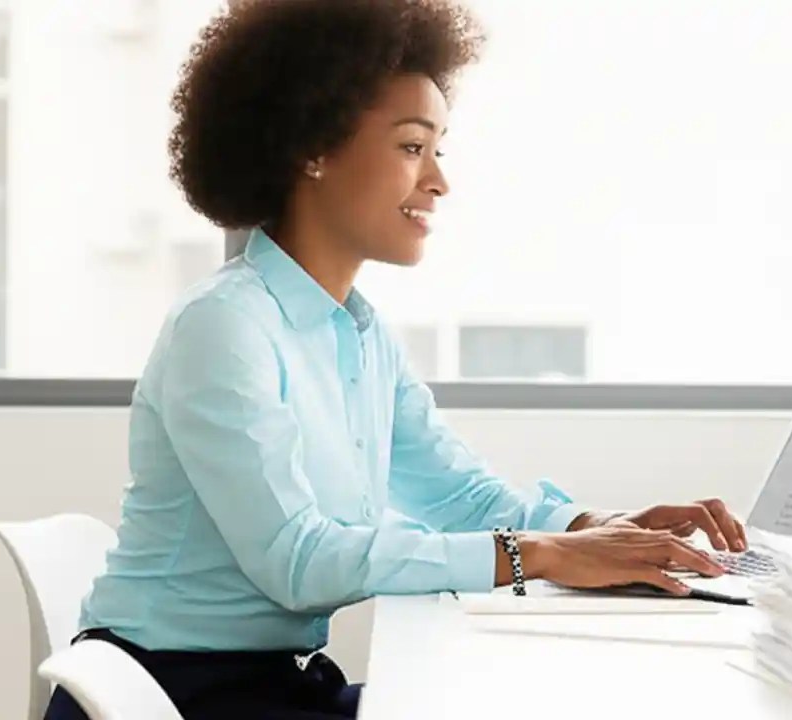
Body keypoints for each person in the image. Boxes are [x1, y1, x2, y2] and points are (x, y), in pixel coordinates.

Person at [44, 1, 749, 718]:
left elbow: (459, 496)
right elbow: (298, 561)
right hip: (173, 694)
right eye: (413, 147)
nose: (439, 181)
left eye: (439, 149)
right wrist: (534, 554)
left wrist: (595, 528)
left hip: (268, 685)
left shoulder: (358, 334)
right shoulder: (223, 326)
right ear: (310, 148)